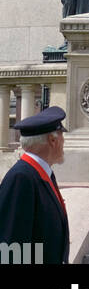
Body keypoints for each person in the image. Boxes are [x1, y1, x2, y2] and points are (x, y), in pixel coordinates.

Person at [0, 106, 69, 264]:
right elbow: (13, 246)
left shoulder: (41, 173)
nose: (64, 143)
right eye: (62, 137)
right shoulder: (22, 177)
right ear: (53, 140)